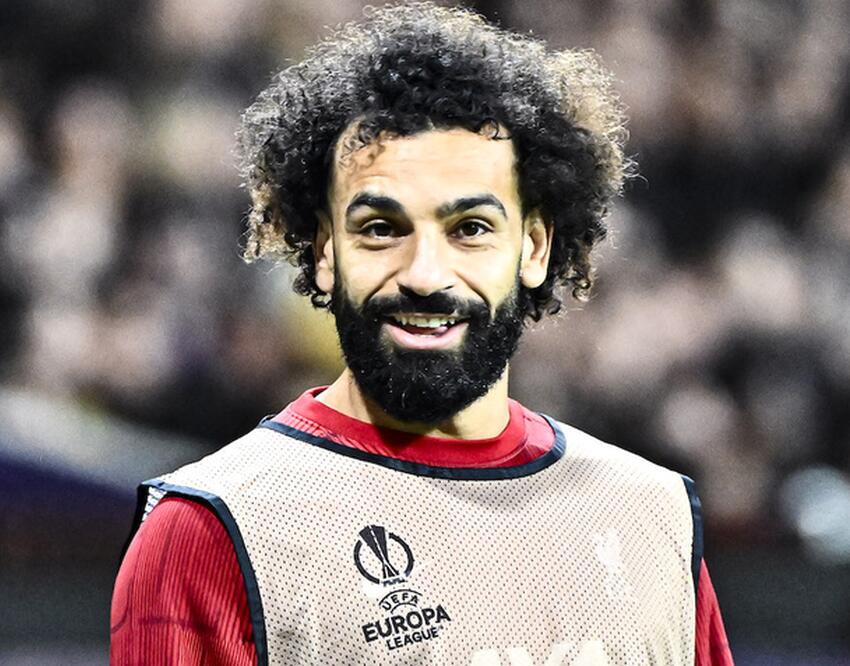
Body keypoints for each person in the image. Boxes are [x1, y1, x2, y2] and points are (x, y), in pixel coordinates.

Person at [110, 3, 733, 664]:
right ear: (323, 250)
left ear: (534, 248)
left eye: (470, 229)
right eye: (381, 229)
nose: (425, 275)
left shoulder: (653, 513)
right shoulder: (211, 532)